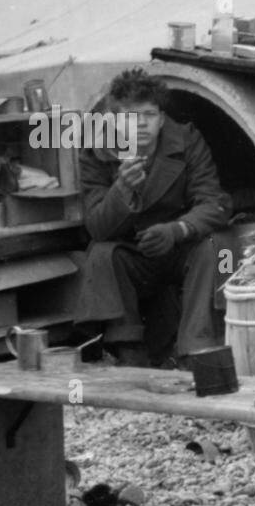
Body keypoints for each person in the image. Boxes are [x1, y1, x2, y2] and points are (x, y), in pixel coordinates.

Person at [74, 68, 233, 367]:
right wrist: (121, 191)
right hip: (134, 253)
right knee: (101, 254)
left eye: (149, 115)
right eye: (131, 117)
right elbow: (96, 226)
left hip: (179, 247)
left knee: (219, 247)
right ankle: (127, 349)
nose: (141, 125)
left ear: (161, 118)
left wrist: (178, 230)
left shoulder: (187, 141)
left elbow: (215, 203)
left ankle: (197, 350)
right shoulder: (97, 152)